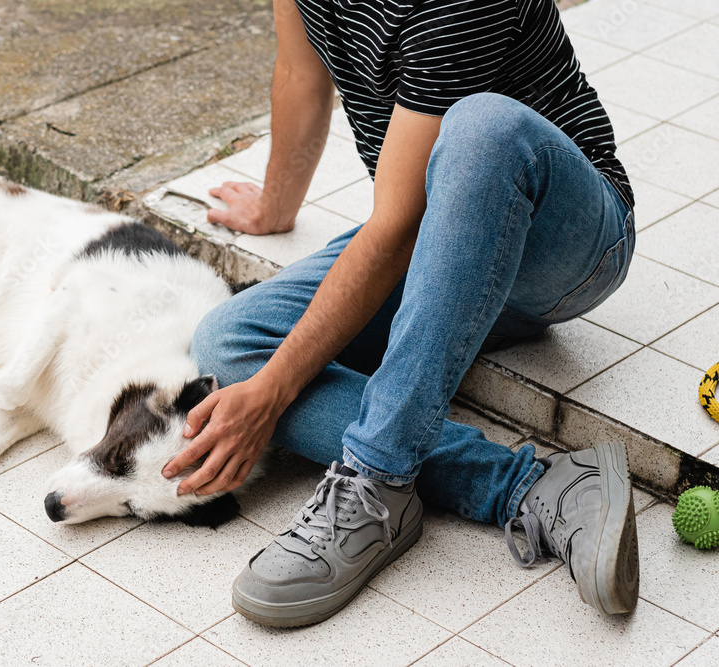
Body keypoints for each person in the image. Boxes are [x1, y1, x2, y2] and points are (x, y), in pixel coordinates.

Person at [162, 0, 639, 627]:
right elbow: (301, 73)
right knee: (230, 343)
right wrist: (274, 205)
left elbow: (393, 230)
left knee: (482, 127)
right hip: (439, 231)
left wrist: (274, 394)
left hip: (565, 244)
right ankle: (529, 485)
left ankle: (377, 479)